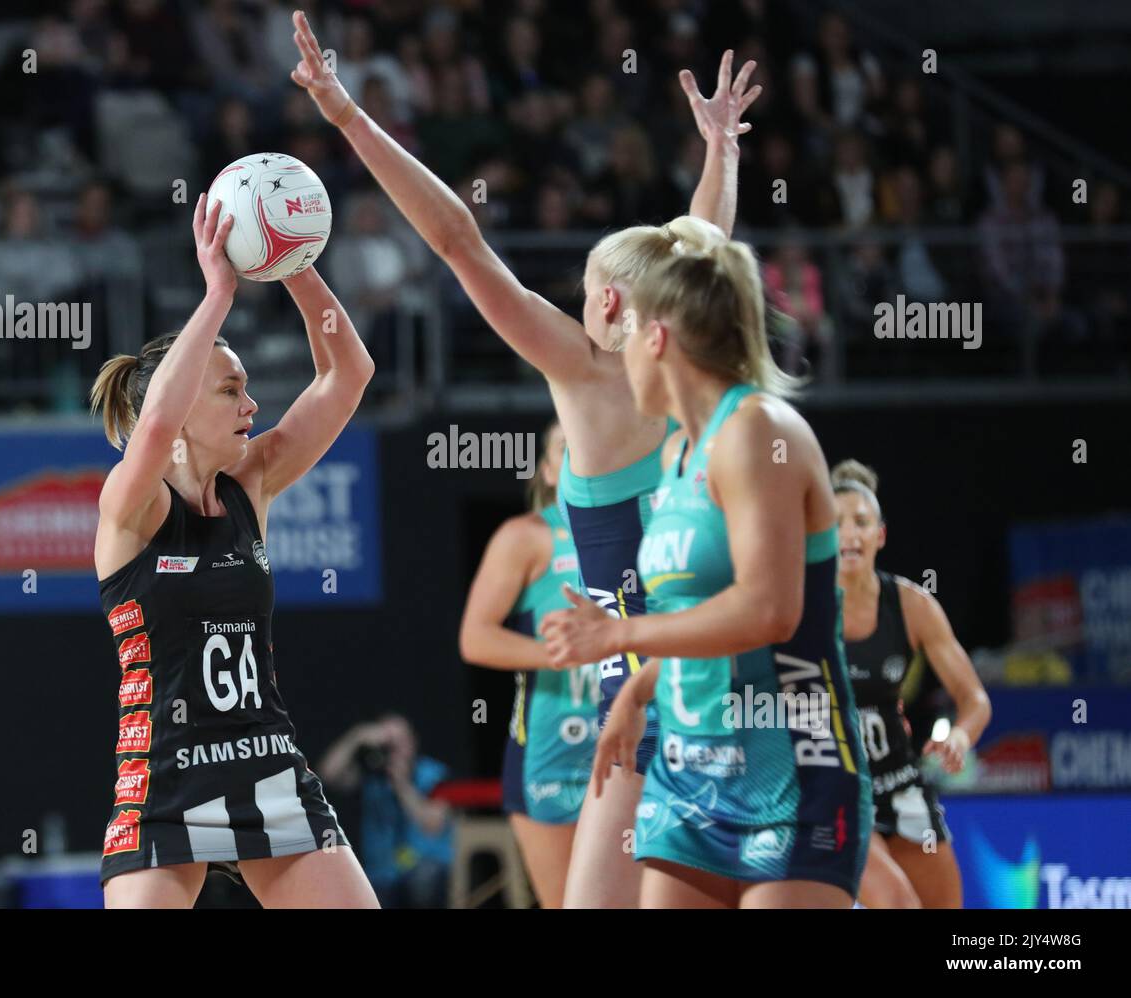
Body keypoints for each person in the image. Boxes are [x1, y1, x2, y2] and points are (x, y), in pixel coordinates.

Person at [289, 8, 759, 908]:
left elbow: (459, 241)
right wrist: (722, 156)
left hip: (669, 690)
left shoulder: (590, 374)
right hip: (672, 695)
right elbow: (706, 246)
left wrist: (348, 118)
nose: (574, 302)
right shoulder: (675, 369)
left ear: (618, 307)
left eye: (586, 290)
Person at [541, 223, 871, 908]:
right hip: (690, 777)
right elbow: (700, 620)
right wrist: (634, 693)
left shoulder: (757, 431)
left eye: (628, 340)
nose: (617, 360)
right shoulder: (679, 455)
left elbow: (769, 610)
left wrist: (621, 637)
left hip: (792, 770)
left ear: (656, 339)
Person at [89, 192, 377, 908]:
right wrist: (219, 291)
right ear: (182, 405)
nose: (252, 405)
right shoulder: (133, 505)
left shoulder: (253, 485)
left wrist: (295, 260)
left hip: (267, 769)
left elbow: (348, 376)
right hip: (163, 775)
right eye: (231, 389)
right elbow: (152, 429)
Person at [832, 459, 991, 908]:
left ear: (879, 535)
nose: (850, 534)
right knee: (897, 903)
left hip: (900, 786)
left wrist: (960, 736)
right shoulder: (801, 608)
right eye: (836, 523)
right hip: (836, 786)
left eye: (861, 523)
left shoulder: (912, 605)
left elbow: (975, 698)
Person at [459, 420, 600, 907]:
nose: (580, 453)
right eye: (566, 447)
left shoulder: (637, 531)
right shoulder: (528, 536)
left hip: (628, 751)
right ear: (548, 469)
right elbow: (475, 638)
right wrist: (559, 652)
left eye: (588, 442)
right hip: (551, 756)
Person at [318, 714, 453, 908]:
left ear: (413, 741)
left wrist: (402, 784)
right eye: (389, 744)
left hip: (425, 869)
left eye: (400, 742)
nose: (394, 750)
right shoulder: (372, 775)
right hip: (382, 874)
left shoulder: (433, 773)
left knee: (422, 882)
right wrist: (356, 737)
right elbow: (328, 774)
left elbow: (433, 825)